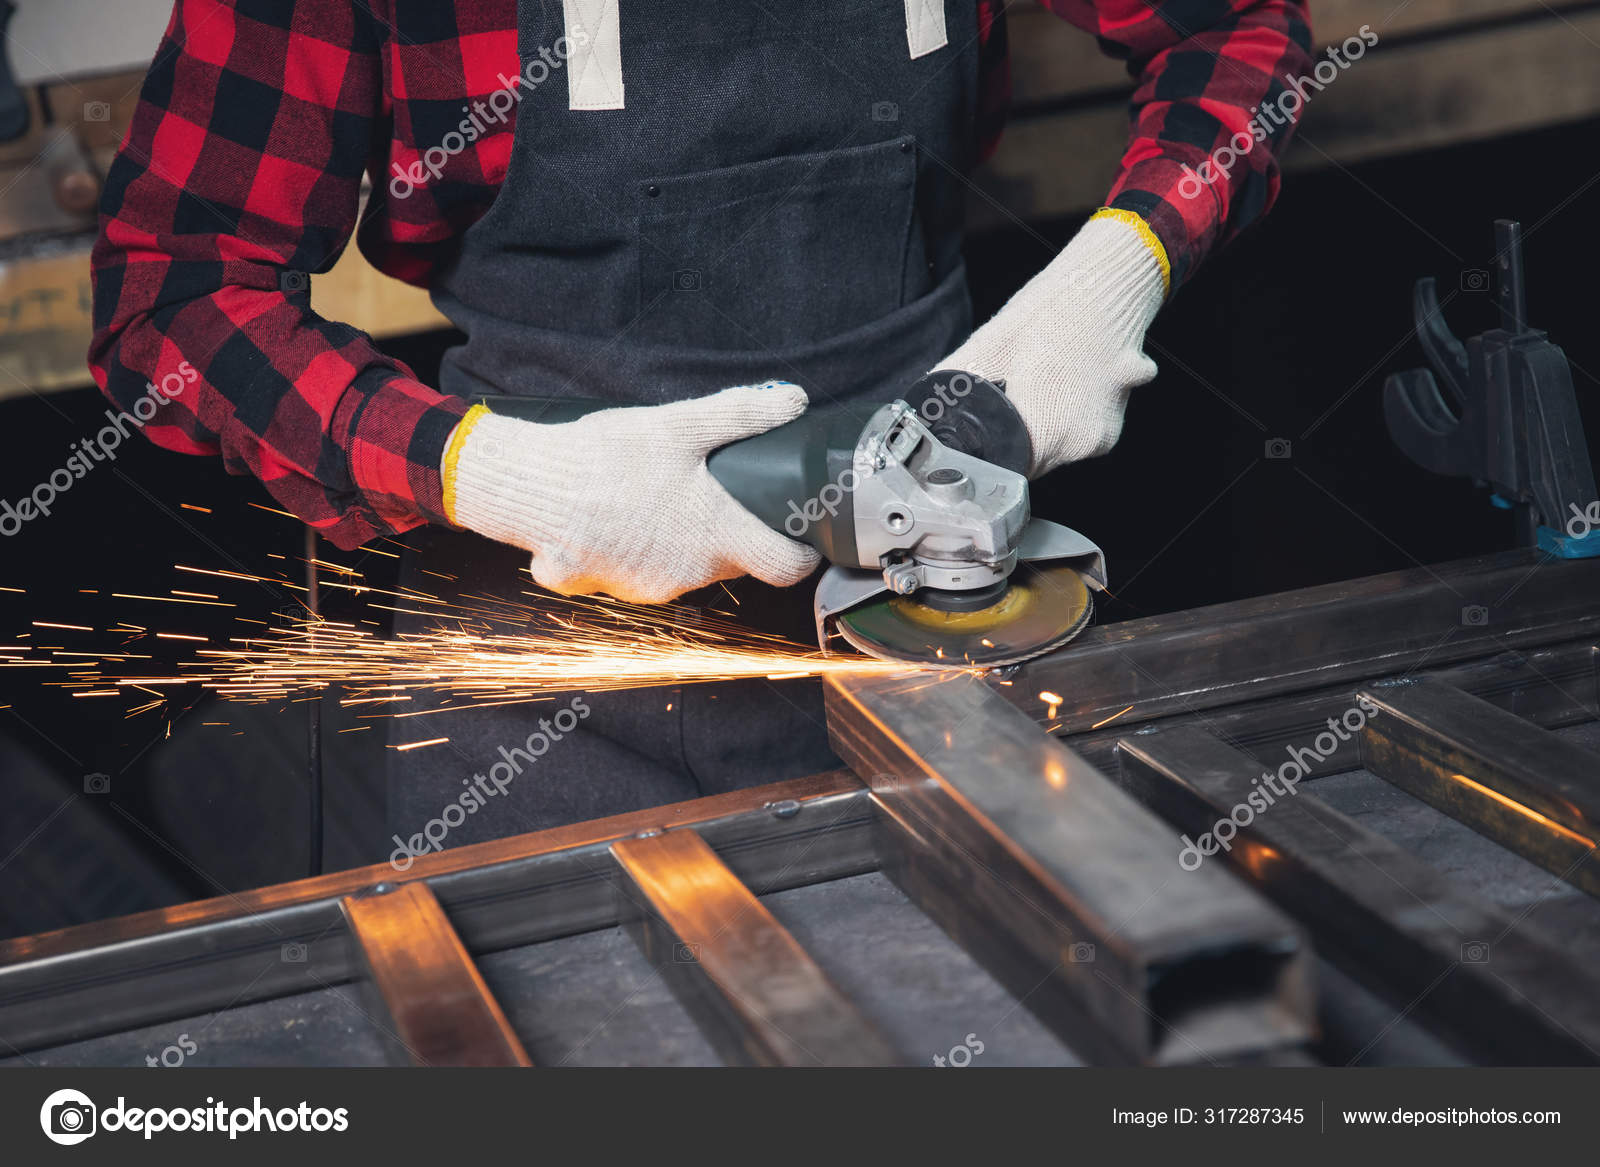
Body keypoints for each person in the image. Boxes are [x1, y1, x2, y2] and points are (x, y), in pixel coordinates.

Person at [90, 0, 1313, 849]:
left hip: (946, 592)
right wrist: (496, 472)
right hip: (546, 674)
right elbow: (174, 293)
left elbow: (1235, 34)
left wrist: (1108, 282)